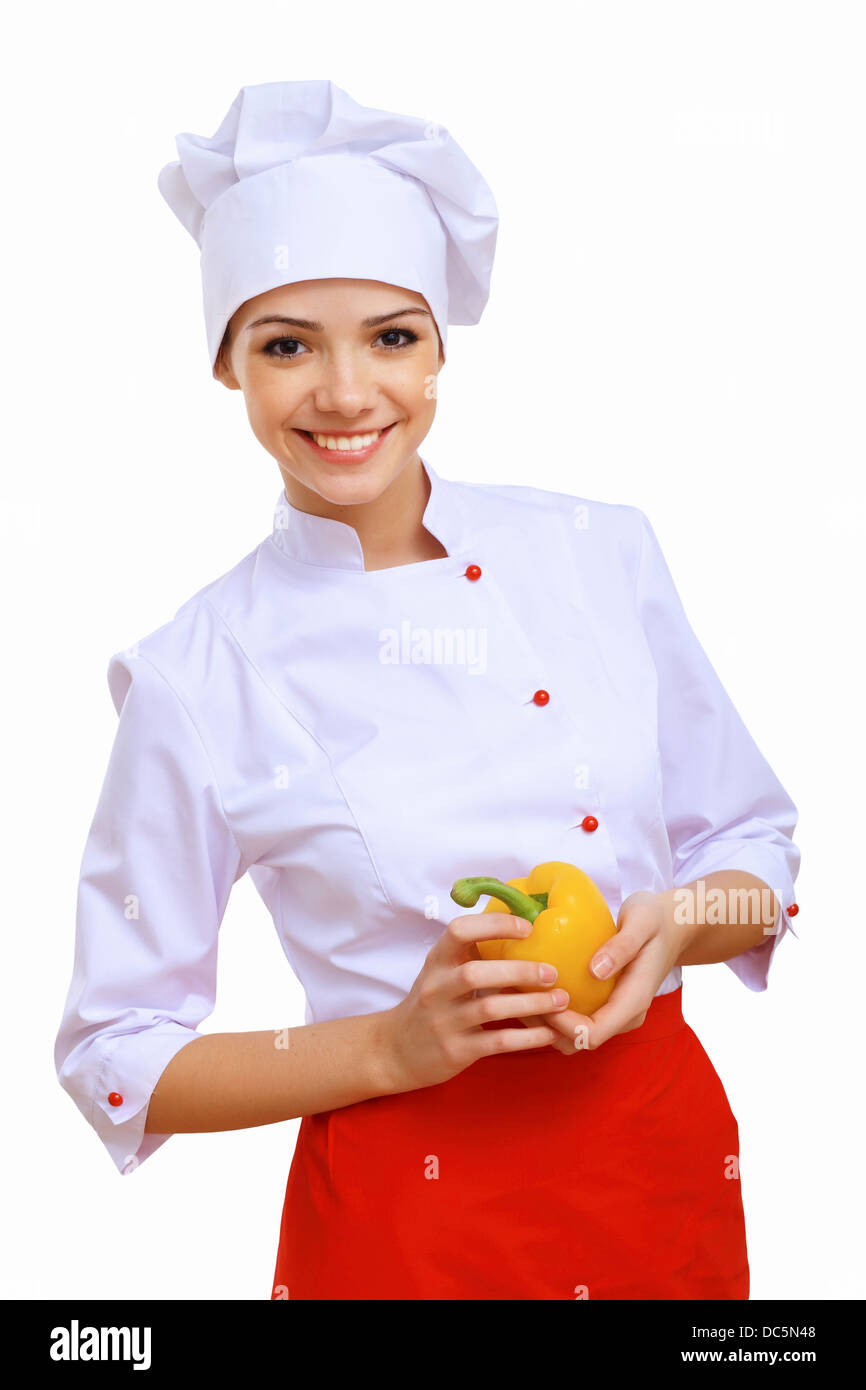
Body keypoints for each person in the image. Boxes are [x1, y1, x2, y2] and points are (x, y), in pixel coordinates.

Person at [54, 79, 801, 1301]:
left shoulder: (598, 553)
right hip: (411, 1209)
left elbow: (754, 848)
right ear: (225, 365)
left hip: (656, 1164)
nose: (346, 394)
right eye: (285, 343)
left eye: (391, 336)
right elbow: (114, 1056)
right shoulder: (196, 673)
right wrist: (392, 1046)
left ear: (439, 348)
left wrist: (685, 921)